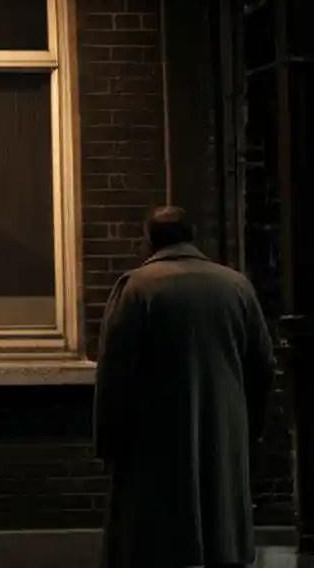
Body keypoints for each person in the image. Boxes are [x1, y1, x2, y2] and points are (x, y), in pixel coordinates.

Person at [95, 206, 275, 568]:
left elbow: (114, 371)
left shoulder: (137, 288)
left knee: (159, 536)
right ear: (192, 237)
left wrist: (108, 439)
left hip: (156, 435)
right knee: (219, 521)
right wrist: (248, 425)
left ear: (149, 240)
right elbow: (262, 364)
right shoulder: (236, 286)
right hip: (223, 428)